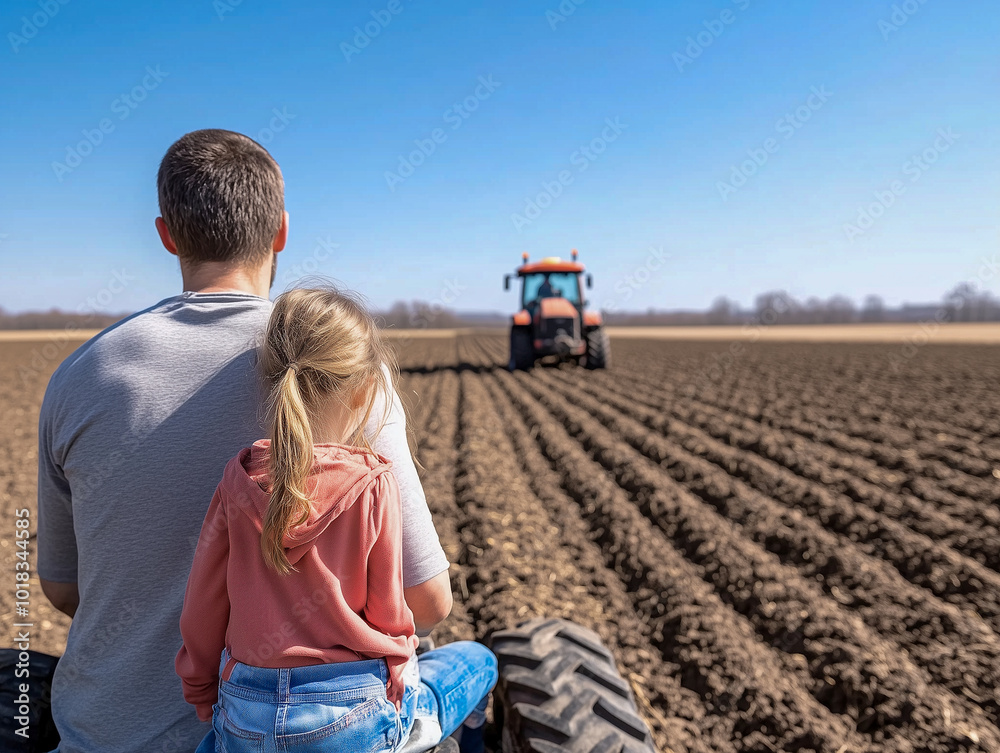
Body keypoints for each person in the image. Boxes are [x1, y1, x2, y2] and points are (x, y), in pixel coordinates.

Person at [37, 130, 454, 753]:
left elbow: (63, 589)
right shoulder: (339, 366)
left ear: (167, 234)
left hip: (103, 737)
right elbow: (426, 600)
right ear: (281, 231)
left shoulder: (78, 376)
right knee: (469, 666)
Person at [176, 288, 496, 753]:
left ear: (270, 383)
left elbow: (201, 608)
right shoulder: (374, 483)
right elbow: (390, 616)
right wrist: (399, 678)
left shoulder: (236, 480)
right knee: (477, 662)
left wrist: (203, 690)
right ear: (367, 390)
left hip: (246, 709)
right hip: (351, 713)